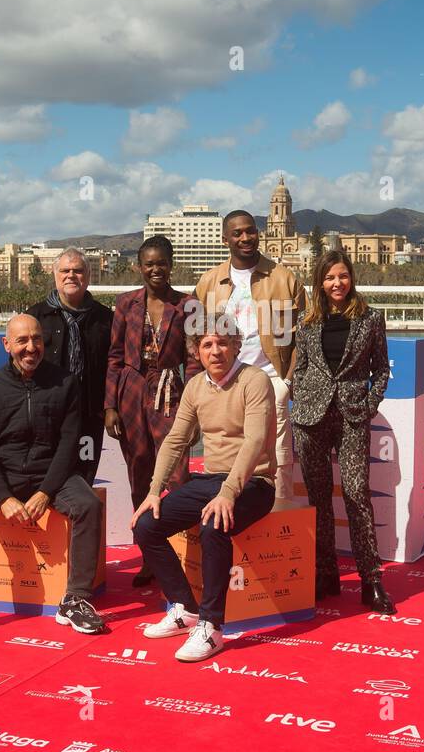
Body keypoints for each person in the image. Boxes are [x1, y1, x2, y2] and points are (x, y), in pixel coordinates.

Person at [0, 313, 107, 639]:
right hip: (5, 474)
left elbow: (68, 444)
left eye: (37, 339)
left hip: (53, 476)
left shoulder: (65, 383)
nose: (31, 348)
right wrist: (3, 497)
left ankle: (75, 599)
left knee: (89, 505)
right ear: (7, 345)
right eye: (22, 341)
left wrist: (45, 492)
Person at [131, 314, 276, 662]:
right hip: (211, 480)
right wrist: (154, 491)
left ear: (236, 346)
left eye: (223, 342)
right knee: (146, 525)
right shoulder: (196, 386)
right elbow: (175, 439)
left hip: (255, 482)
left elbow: (255, 439)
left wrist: (228, 493)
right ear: (197, 350)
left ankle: (211, 627)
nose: (215, 350)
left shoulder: (255, 381)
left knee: (215, 525)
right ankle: (184, 607)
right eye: (207, 344)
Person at [290, 250, 395, 614]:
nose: (338, 283)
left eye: (343, 276)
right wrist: (302, 398)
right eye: (330, 277)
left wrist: (368, 406)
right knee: (318, 499)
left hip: (352, 416)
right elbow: (300, 369)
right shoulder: (306, 324)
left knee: (355, 494)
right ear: (320, 282)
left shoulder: (370, 319)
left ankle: (371, 579)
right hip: (310, 419)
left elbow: (381, 369)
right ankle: (325, 575)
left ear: (351, 279)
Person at [104, 235, 200, 587]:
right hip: (130, 389)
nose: (155, 269)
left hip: (169, 389)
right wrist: (109, 406)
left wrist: (192, 405)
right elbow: (114, 356)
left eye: (162, 262)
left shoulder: (189, 305)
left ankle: (185, 554)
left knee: (176, 474)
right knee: (139, 469)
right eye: (149, 263)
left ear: (171, 264)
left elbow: (194, 359)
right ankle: (151, 556)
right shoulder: (125, 303)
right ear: (139, 266)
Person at [191, 210, 304, 502]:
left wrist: (286, 382)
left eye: (250, 231)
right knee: (222, 454)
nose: (245, 238)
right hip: (224, 383)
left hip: (270, 382)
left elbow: (303, 335)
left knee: (277, 456)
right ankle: (223, 518)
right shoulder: (209, 282)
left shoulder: (282, 278)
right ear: (225, 238)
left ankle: (279, 525)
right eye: (238, 233)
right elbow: (194, 335)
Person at [26, 248, 114, 485]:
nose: (71, 276)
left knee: (84, 478)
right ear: (55, 275)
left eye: (78, 271)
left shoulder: (106, 319)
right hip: (46, 415)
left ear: (88, 275)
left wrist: (110, 408)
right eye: (65, 270)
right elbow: (19, 368)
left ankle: (81, 521)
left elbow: (115, 367)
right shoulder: (36, 317)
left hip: (89, 415)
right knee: (45, 478)